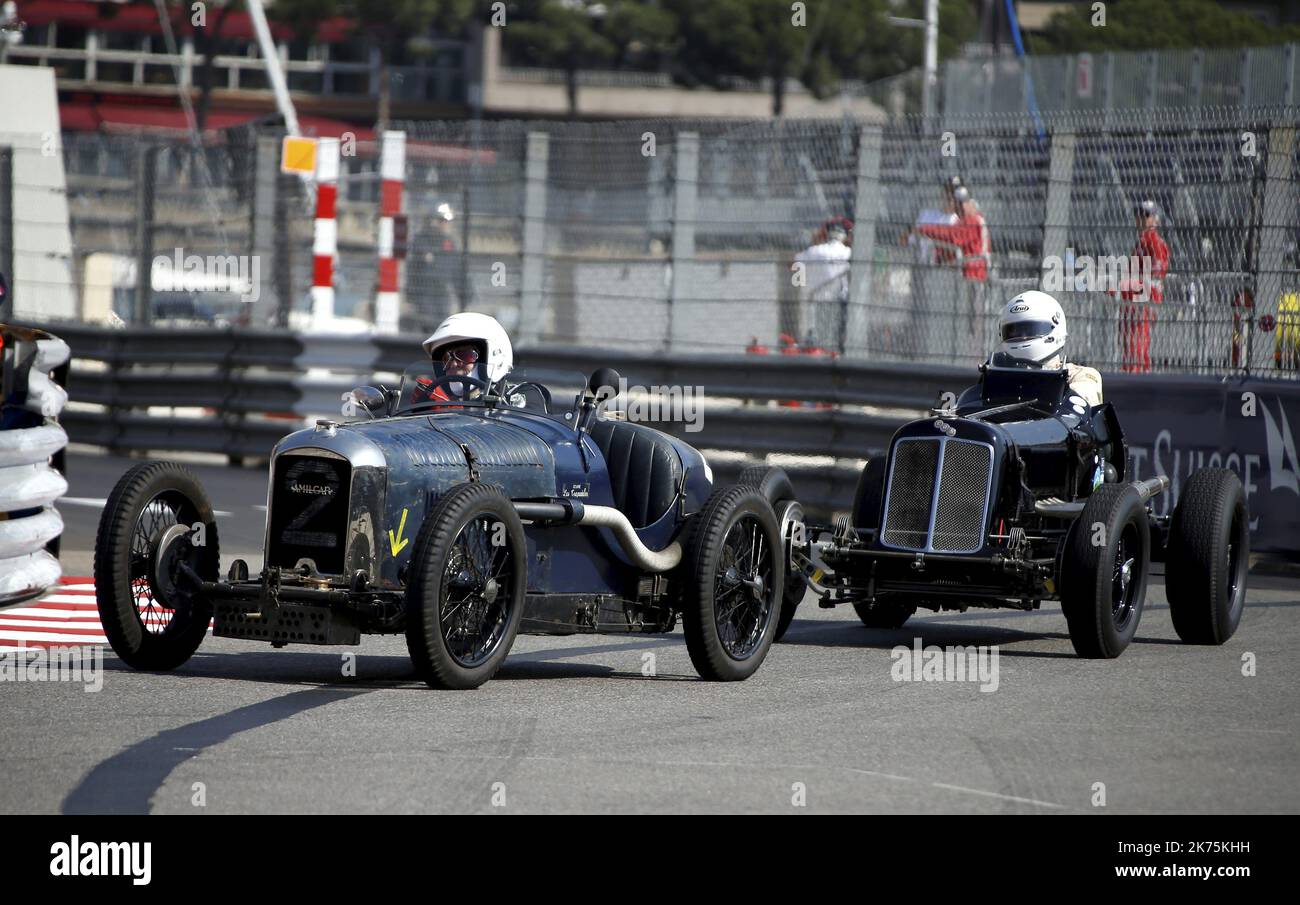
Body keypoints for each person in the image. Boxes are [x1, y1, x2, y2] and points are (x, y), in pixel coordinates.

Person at [913, 185, 991, 353]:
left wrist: (924, 229)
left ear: (971, 204)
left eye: (963, 203)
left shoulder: (972, 220)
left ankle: (971, 356)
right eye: (958, 203)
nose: (960, 207)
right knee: (963, 324)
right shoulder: (967, 220)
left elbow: (953, 237)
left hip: (973, 279)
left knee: (971, 326)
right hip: (969, 279)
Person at [994, 289, 1103, 407]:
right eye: (1013, 332)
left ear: (1055, 329)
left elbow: (1077, 406)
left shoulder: (1080, 376)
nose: (1022, 337)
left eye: (1029, 330)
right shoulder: (999, 376)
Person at [411, 311, 513, 408]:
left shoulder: (510, 410)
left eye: (464, 355)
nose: (453, 364)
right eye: (446, 359)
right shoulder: (438, 402)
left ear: (495, 357)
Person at [1114, 199, 1169, 373]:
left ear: (1155, 219)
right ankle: (1133, 376)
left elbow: (1156, 272)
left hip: (1142, 302)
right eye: (1139, 214)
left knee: (1136, 346)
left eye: (1146, 215)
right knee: (1130, 345)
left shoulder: (1154, 242)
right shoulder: (1142, 241)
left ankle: (1136, 380)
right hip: (1133, 301)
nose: (1141, 218)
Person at [794, 219, 852, 348]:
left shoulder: (814, 251)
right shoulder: (848, 253)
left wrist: (801, 285)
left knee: (814, 336)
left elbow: (796, 262)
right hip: (837, 300)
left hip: (814, 299)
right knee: (834, 338)